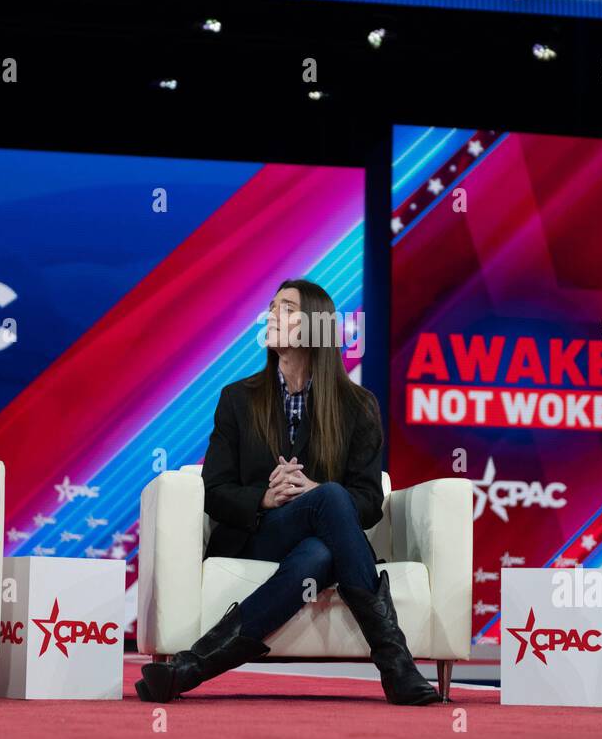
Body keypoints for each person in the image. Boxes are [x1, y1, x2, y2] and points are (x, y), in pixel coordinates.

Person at [136, 278, 441, 706]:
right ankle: (396, 664)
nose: (272, 315)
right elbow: (215, 491)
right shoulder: (238, 399)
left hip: (324, 548)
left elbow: (371, 502)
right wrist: (265, 497)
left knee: (322, 538)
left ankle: (190, 668)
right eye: (272, 306)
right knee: (332, 500)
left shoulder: (358, 407)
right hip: (258, 537)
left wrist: (313, 491)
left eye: (286, 308)